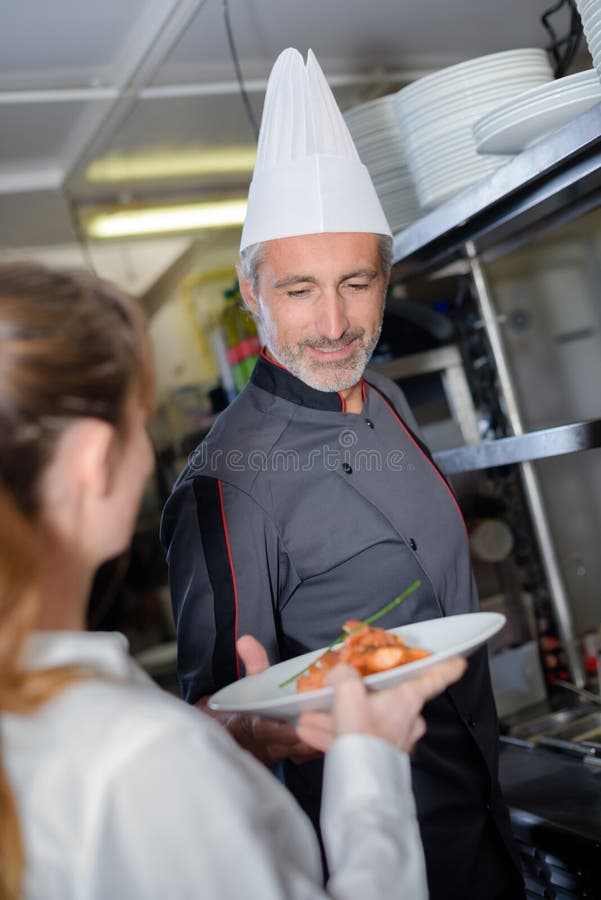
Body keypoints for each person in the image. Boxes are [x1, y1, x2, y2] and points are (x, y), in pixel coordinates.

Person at [161, 48, 526, 900]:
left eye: (355, 283)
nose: (333, 324)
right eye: (298, 291)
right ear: (252, 295)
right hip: (370, 858)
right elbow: (212, 728)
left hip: (485, 822)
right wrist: (244, 729)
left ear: (385, 280)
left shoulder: (390, 397)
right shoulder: (225, 484)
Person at [0, 261, 466, 900]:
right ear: (93, 462)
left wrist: (228, 731)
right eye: (141, 422)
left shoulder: (72, 703)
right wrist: (371, 757)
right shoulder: (135, 755)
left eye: (356, 283)